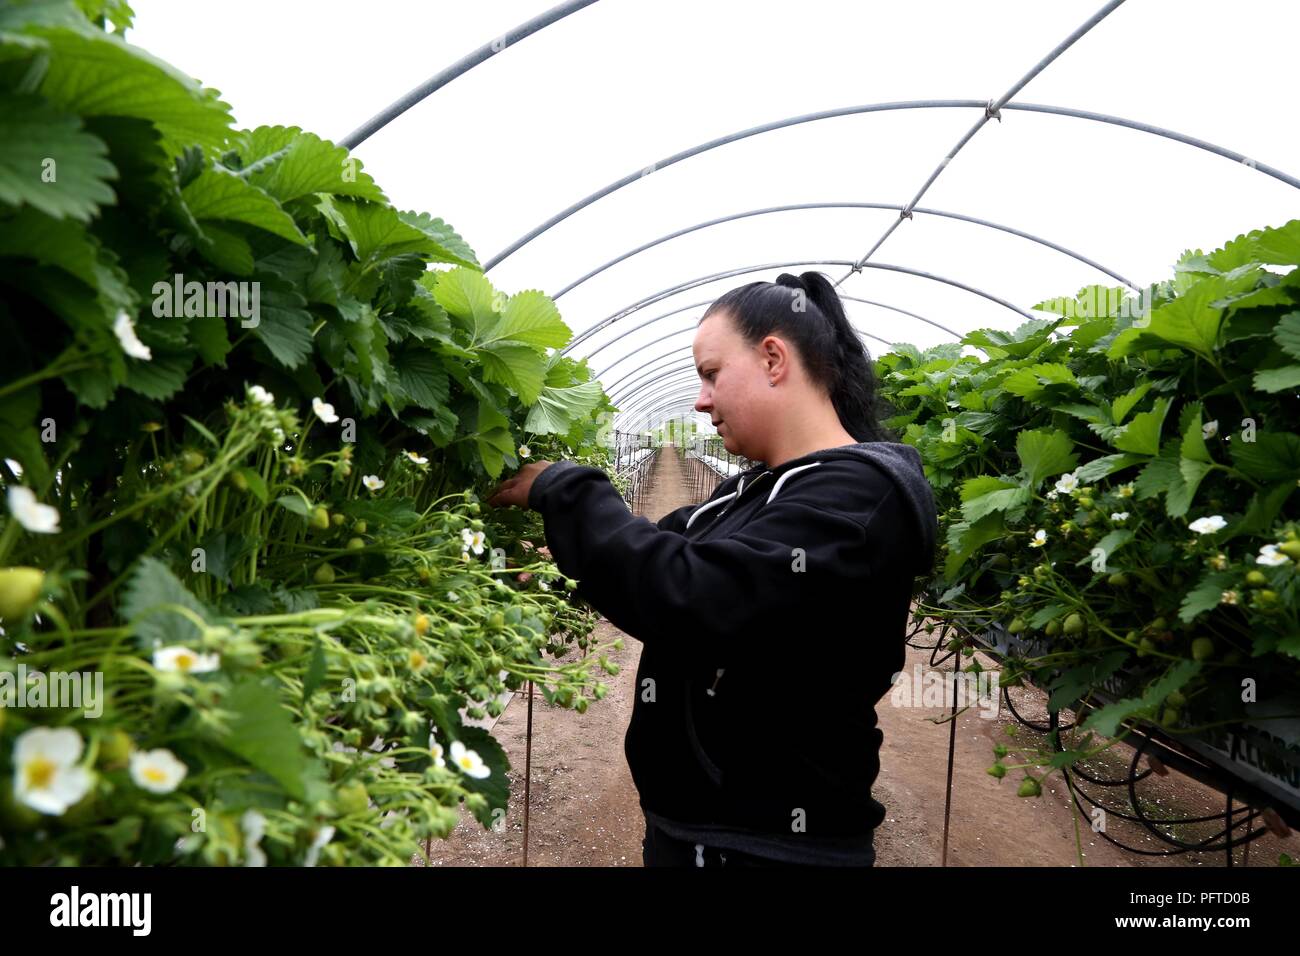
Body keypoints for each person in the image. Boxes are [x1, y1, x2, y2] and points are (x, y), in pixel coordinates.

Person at [487, 271, 938, 867]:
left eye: (710, 373)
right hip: (700, 832)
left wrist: (563, 487)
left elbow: (690, 591)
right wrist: (552, 566)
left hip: (772, 848)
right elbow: (662, 546)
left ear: (774, 358)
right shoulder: (751, 494)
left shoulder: (857, 497)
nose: (701, 399)